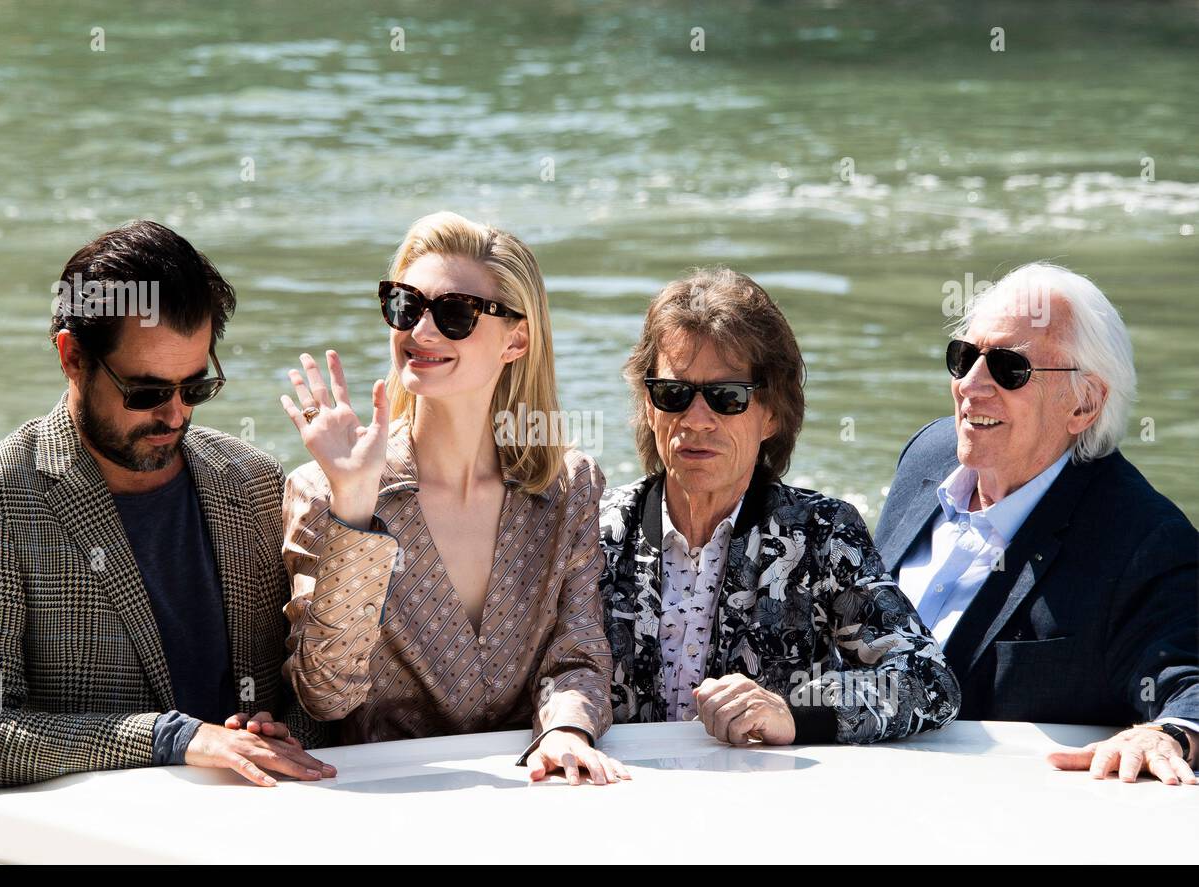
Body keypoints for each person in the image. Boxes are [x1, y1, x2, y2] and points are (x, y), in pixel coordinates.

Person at [0, 221, 334, 794]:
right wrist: (174, 738)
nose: (175, 416)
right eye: (146, 393)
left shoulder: (252, 481)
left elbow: (310, 691)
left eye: (195, 388)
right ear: (72, 357)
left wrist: (286, 732)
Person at [279, 211, 627, 785]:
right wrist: (354, 509)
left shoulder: (569, 489)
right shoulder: (323, 488)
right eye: (406, 306)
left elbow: (578, 656)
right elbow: (326, 695)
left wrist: (566, 730)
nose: (420, 332)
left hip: (532, 794)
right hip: (389, 808)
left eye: (455, 313)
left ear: (516, 338)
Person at [600, 267, 960, 745]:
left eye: (727, 397)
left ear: (772, 414)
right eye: (674, 394)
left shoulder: (822, 534)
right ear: (649, 406)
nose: (696, 419)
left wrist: (795, 713)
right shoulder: (595, 531)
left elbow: (928, 681)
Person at [875, 262, 1198, 785]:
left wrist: (1168, 732)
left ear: (1084, 404)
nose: (971, 387)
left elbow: (1187, 679)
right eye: (964, 358)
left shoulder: (1142, 540)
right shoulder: (926, 455)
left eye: (1008, 368)